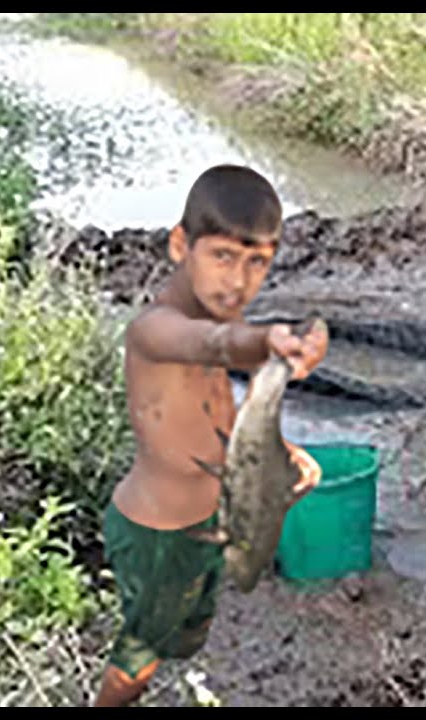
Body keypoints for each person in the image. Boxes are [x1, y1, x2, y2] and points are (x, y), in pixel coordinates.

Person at [93, 165, 329, 707]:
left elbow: (218, 415)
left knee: (185, 631)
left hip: (205, 526)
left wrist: (279, 453)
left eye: (257, 262)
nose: (239, 281)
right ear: (181, 244)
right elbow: (212, 343)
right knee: (139, 655)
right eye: (222, 256)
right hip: (157, 532)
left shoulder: (217, 316)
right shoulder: (156, 329)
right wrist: (265, 342)